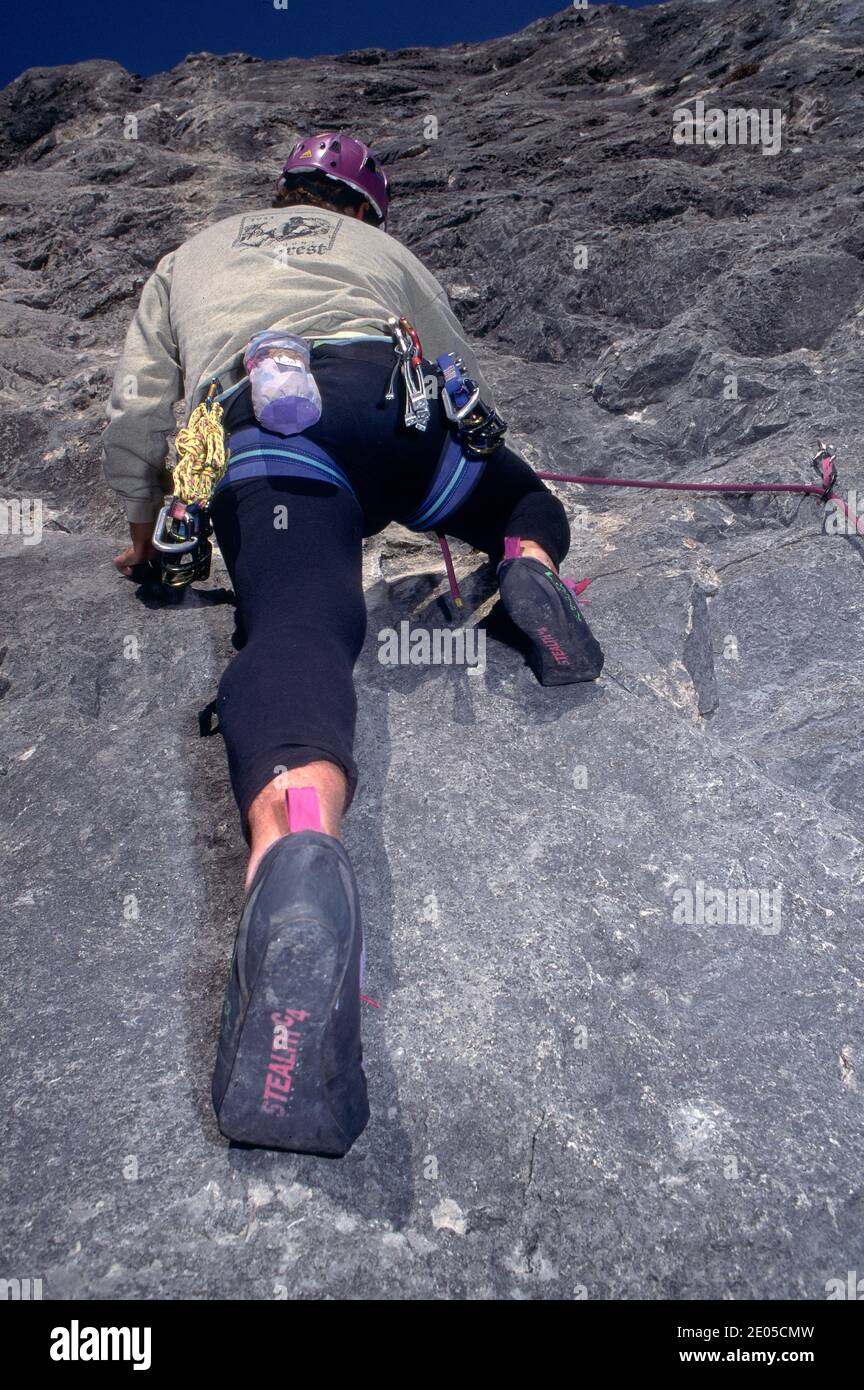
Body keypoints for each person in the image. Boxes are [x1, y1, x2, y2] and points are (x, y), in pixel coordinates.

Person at [103, 132, 604, 1157]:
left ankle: (295, 831)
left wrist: (146, 519)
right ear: (366, 208)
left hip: (271, 424)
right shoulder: (383, 255)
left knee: (298, 624)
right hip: (396, 412)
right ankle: (529, 569)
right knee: (525, 498)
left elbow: (141, 404)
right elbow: (452, 358)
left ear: (282, 185)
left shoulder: (191, 255)